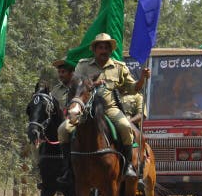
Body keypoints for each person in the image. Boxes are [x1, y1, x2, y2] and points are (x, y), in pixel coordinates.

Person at [56, 33, 150, 185]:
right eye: (100, 47)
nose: (103, 50)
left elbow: (133, 88)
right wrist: (91, 84)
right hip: (85, 109)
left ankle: (128, 167)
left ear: (110, 50)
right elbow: (76, 83)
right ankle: (68, 169)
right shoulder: (83, 65)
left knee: (126, 128)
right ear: (94, 50)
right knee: (63, 130)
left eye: (106, 47)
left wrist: (142, 79)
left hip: (110, 109)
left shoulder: (119, 67)